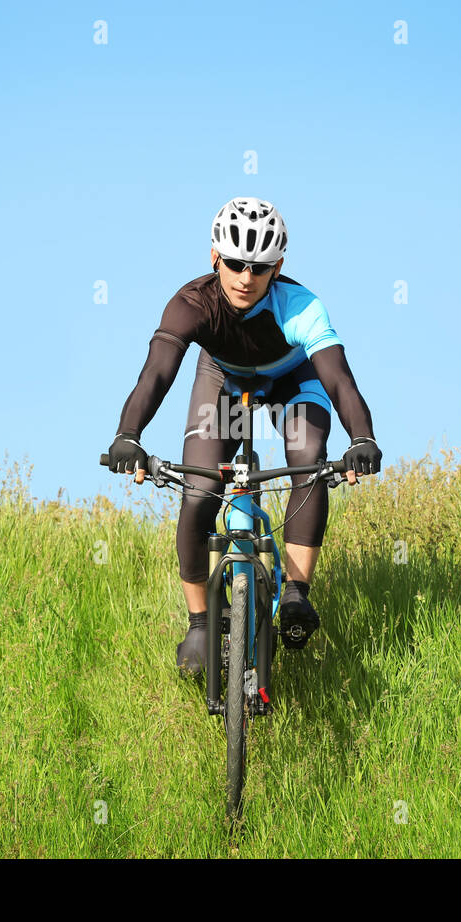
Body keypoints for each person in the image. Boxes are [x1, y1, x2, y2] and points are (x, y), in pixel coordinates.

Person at [106, 197, 382, 676]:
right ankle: (198, 623)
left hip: (291, 381)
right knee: (201, 492)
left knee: (309, 458)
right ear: (215, 258)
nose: (245, 278)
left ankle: (296, 593)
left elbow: (340, 381)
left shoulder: (302, 307)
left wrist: (361, 439)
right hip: (225, 384)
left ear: (277, 267)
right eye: (234, 264)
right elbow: (155, 375)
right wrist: (128, 436)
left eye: (258, 267)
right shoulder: (191, 304)